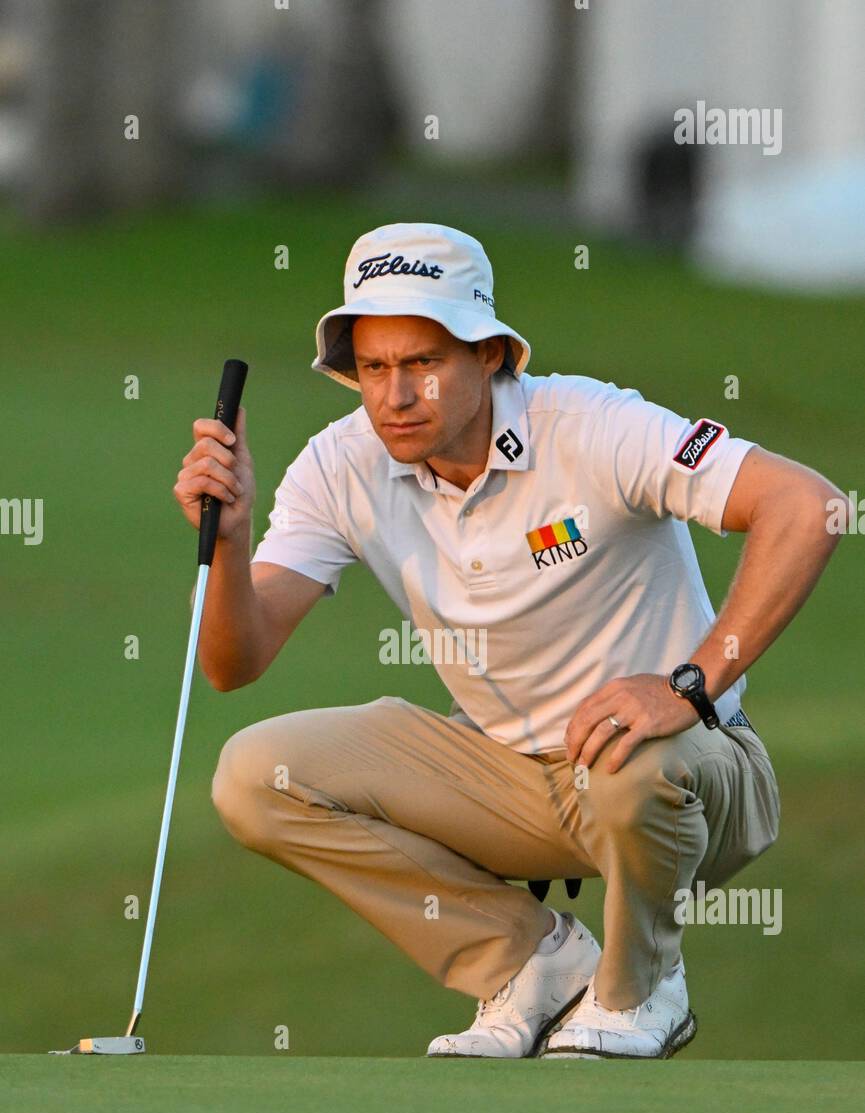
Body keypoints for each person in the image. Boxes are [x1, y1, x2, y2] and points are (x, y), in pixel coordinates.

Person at [173, 222, 844, 1060]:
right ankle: (531, 963)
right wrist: (229, 543)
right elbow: (236, 662)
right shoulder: (337, 463)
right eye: (374, 368)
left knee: (626, 756)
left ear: (489, 354)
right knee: (254, 774)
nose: (395, 396)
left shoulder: (592, 424)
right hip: (506, 777)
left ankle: (642, 993)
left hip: (696, 773)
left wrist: (686, 684)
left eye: (423, 362)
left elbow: (808, 504)